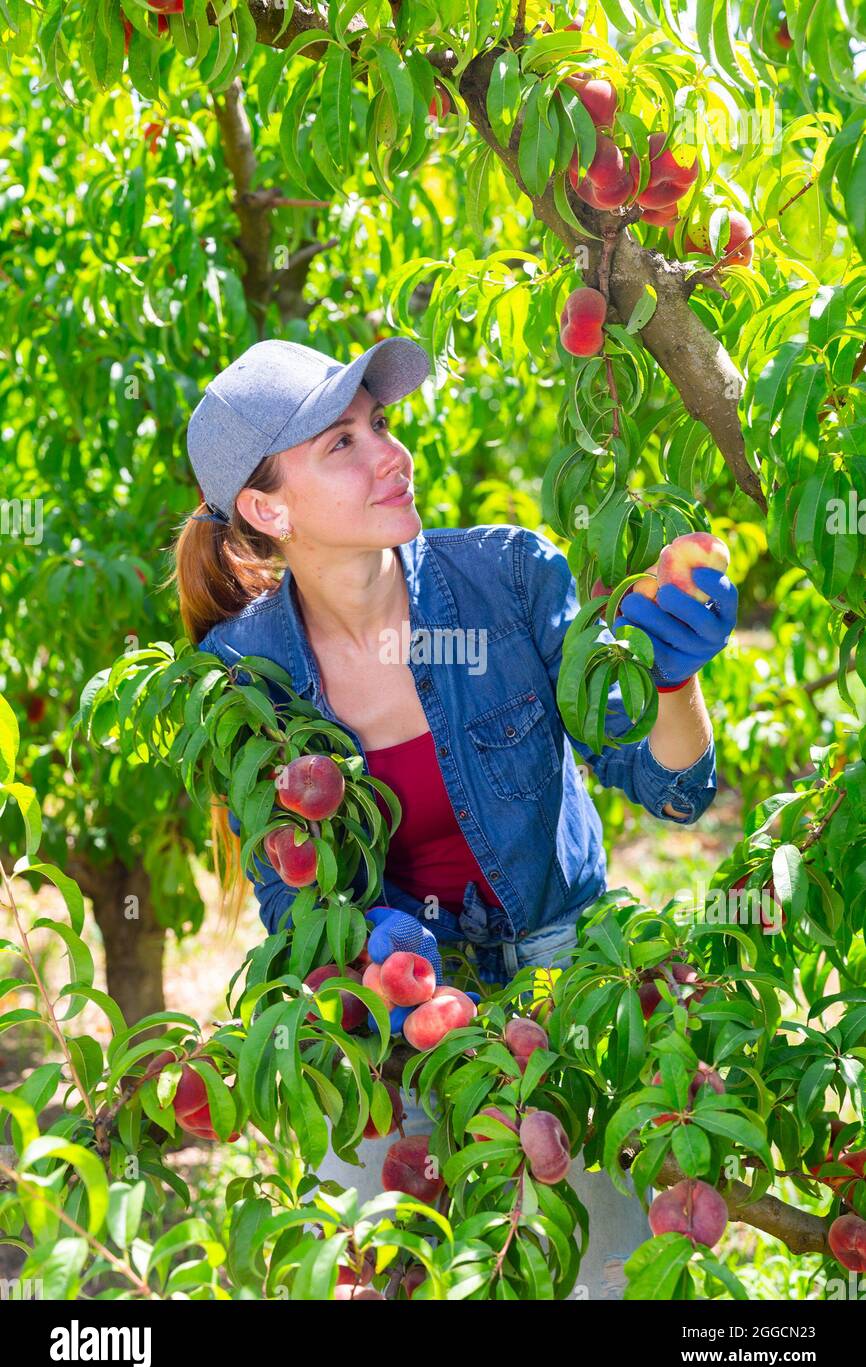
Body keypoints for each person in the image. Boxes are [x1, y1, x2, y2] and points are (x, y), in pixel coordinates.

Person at [173, 335, 737, 1299]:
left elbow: (669, 791)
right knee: (387, 1272)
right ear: (267, 508)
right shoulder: (243, 676)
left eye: (379, 425)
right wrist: (362, 943)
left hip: (570, 989)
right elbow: (290, 898)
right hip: (401, 1022)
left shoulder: (512, 577)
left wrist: (673, 683)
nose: (390, 454)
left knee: (607, 1279)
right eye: (340, 445)